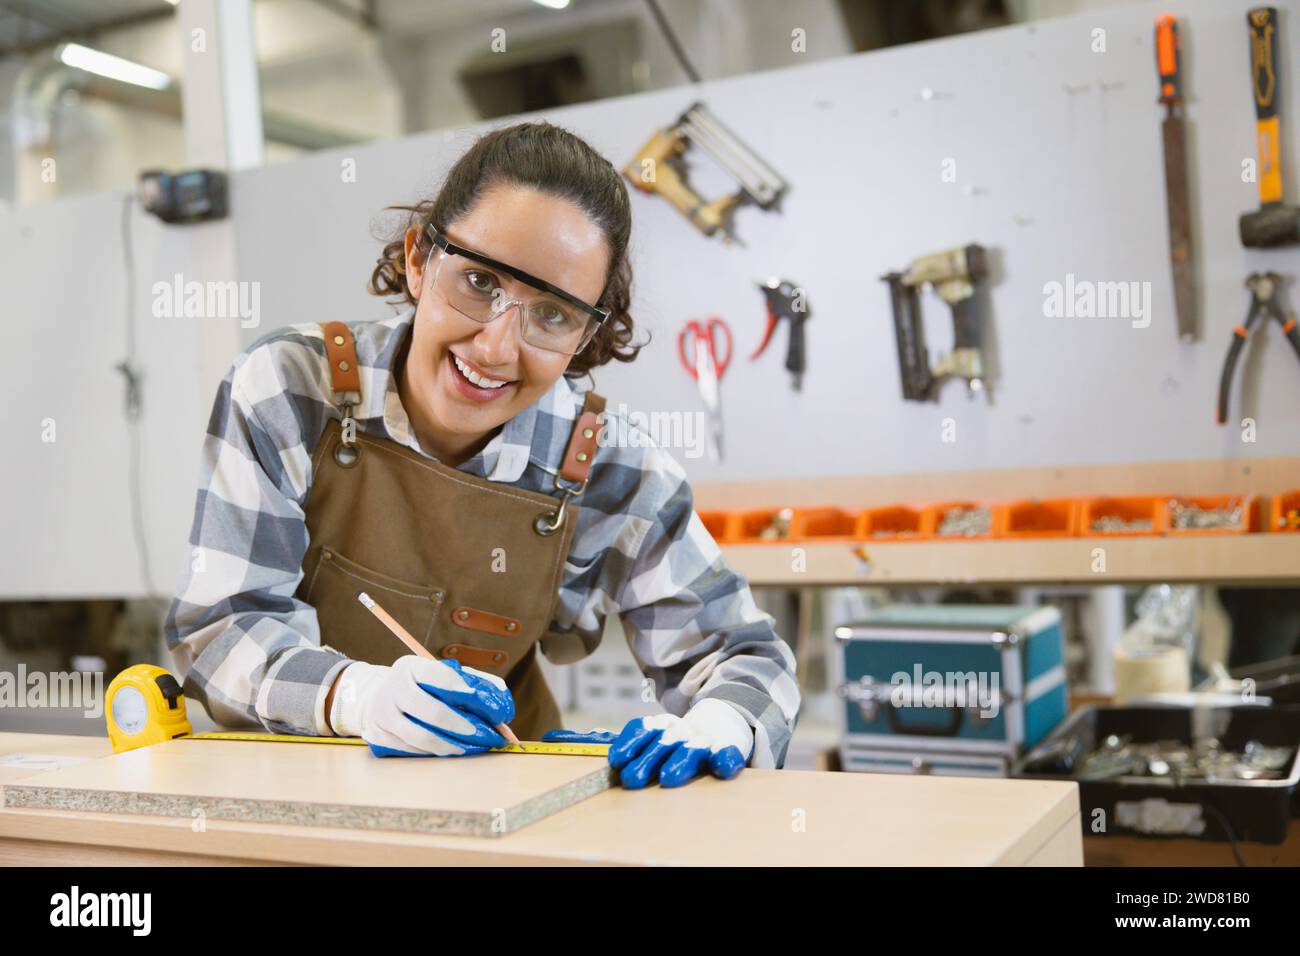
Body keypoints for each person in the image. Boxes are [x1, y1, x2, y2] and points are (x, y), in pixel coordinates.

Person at [163, 122, 799, 788]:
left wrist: (721, 724)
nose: (496, 347)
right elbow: (221, 627)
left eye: (552, 315)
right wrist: (354, 697)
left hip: (500, 809)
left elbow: (745, 655)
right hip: (292, 795)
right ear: (417, 261)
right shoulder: (292, 389)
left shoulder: (613, 471)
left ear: (585, 337)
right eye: (477, 280)